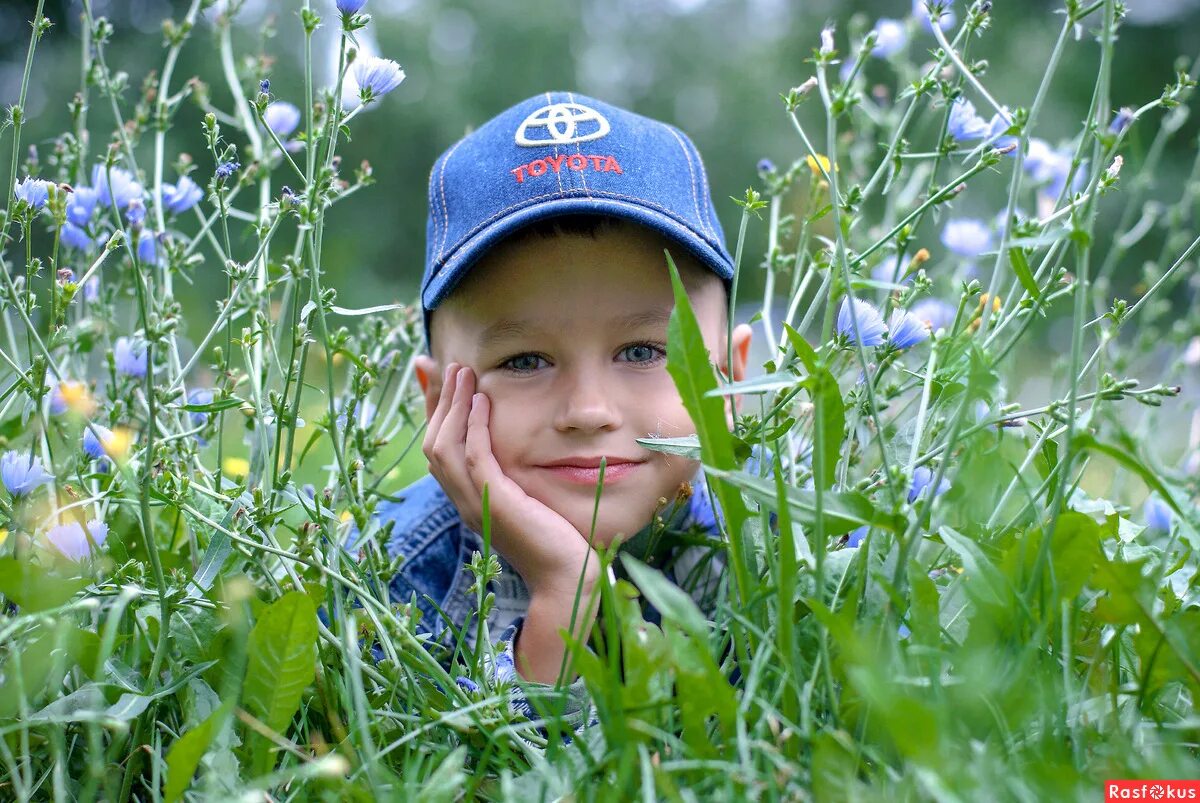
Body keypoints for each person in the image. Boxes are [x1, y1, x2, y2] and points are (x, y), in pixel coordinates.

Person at [359, 91, 753, 730]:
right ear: (438, 402)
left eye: (644, 350)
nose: (588, 410)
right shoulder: (388, 581)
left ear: (730, 380)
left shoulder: (792, 555)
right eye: (524, 361)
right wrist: (563, 593)